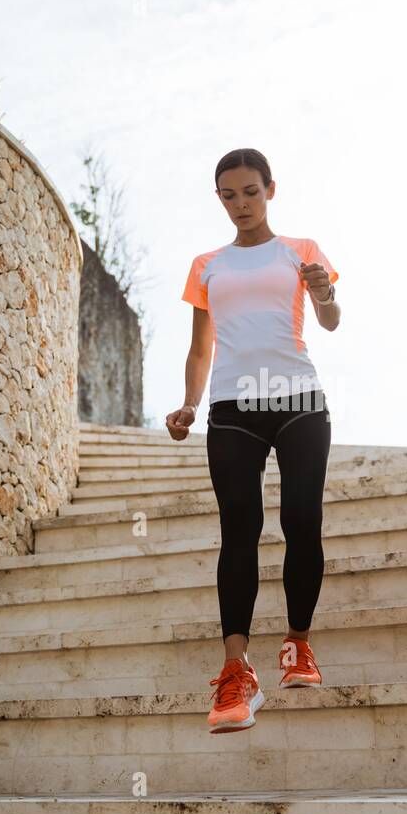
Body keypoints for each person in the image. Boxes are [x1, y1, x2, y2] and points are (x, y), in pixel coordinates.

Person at [164, 148, 341, 734]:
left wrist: (322, 293)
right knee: (238, 529)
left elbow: (332, 319)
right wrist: (190, 403)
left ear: (270, 190)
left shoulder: (301, 251)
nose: (240, 204)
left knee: (301, 520)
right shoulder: (206, 264)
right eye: (229, 195)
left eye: (250, 192)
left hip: (297, 400)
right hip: (233, 407)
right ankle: (237, 670)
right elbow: (200, 347)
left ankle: (296, 644)